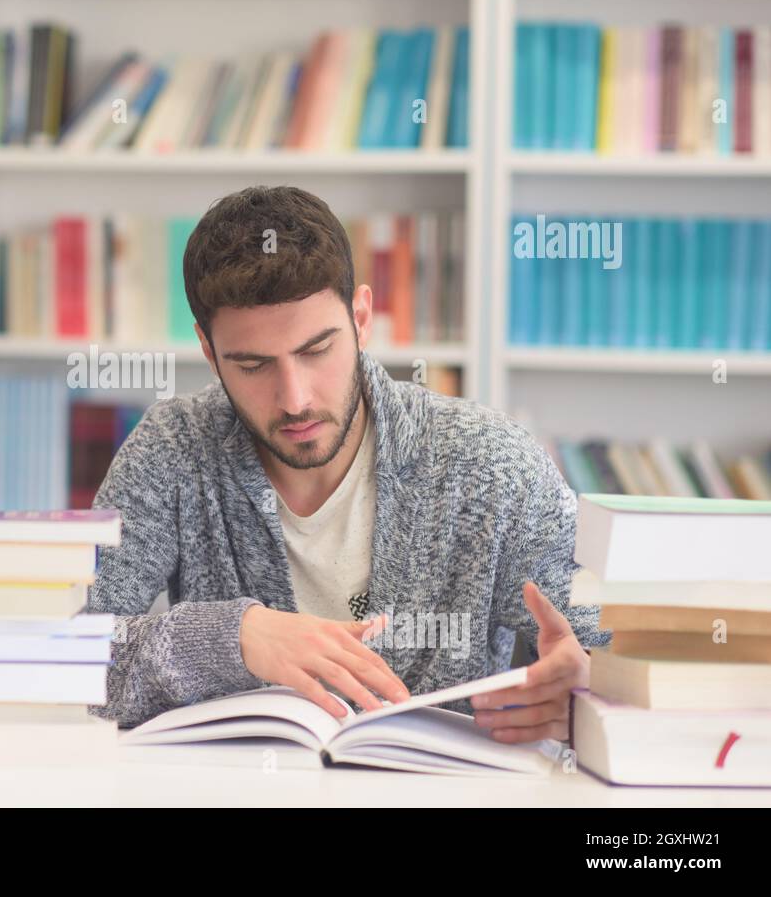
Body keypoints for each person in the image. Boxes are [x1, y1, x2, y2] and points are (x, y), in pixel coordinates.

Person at [87, 185, 611, 742]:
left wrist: (592, 689)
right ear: (209, 351)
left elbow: (620, 655)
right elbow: (66, 658)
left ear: (361, 318)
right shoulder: (172, 452)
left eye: (316, 351)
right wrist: (234, 638)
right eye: (253, 365)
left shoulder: (489, 461)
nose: (295, 399)